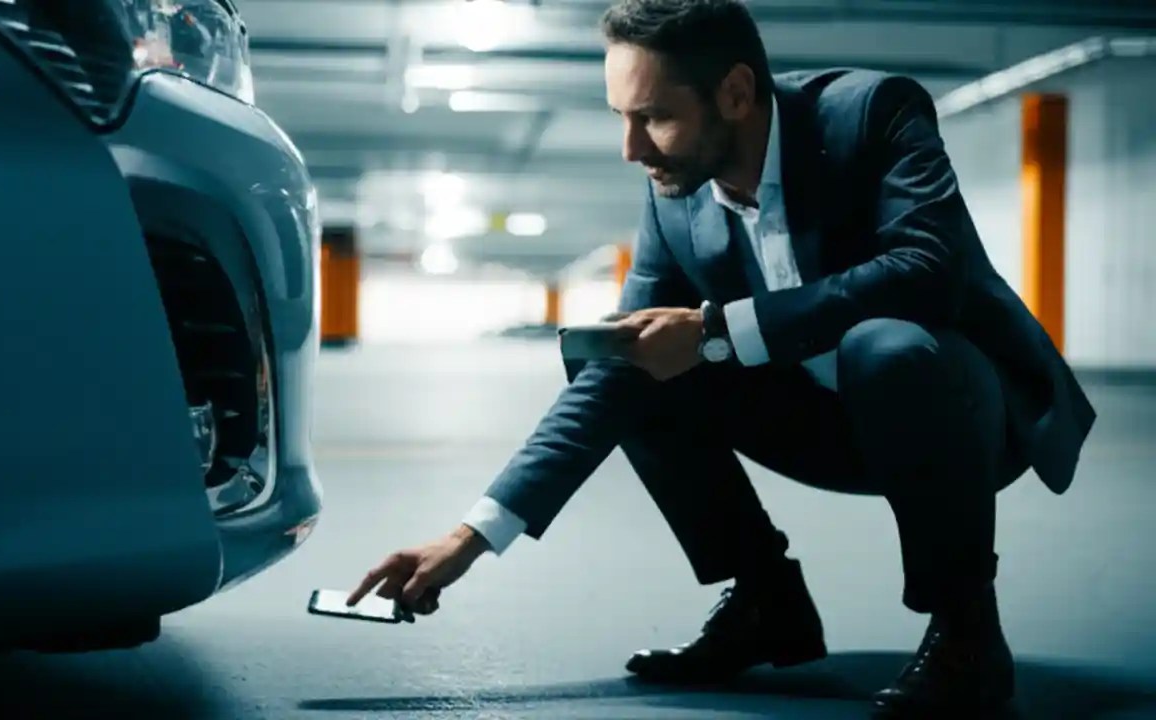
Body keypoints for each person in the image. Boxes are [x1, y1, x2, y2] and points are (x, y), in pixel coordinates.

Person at [347, 0, 1096, 716]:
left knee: (885, 346)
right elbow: (621, 365)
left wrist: (714, 329)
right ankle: (766, 601)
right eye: (621, 119)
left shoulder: (873, 114)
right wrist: (471, 538)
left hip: (960, 414)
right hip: (821, 422)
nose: (630, 149)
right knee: (620, 361)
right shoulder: (674, 193)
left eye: (655, 117)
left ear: (737, 92)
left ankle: (968, 628)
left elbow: (925, 270)